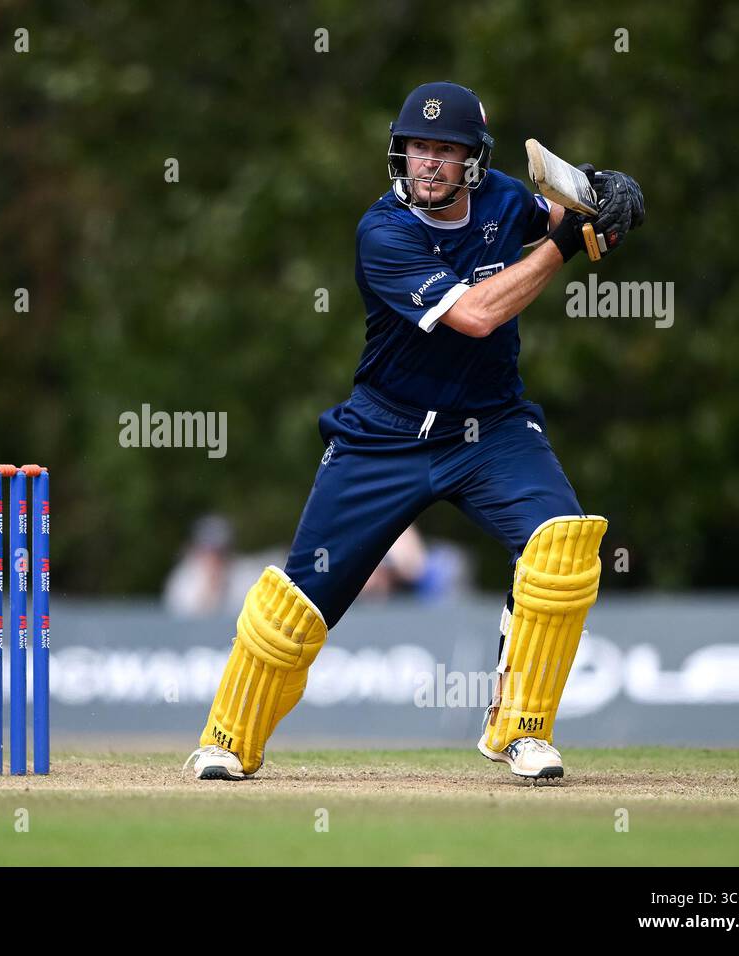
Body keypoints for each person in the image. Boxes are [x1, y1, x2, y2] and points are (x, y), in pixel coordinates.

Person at [185, 81, 644, 783]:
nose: (428, 163)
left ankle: (520, 728)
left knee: (563, 550)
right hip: (384, 433)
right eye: (417, 149)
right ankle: (227, 738)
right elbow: (478, 317)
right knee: (299, 605)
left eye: (445, 151)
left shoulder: (502, 203)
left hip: (491, 426)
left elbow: (563, 209)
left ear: (474, 161)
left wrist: (607, 197)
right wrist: (563, 246)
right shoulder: (384, 232)